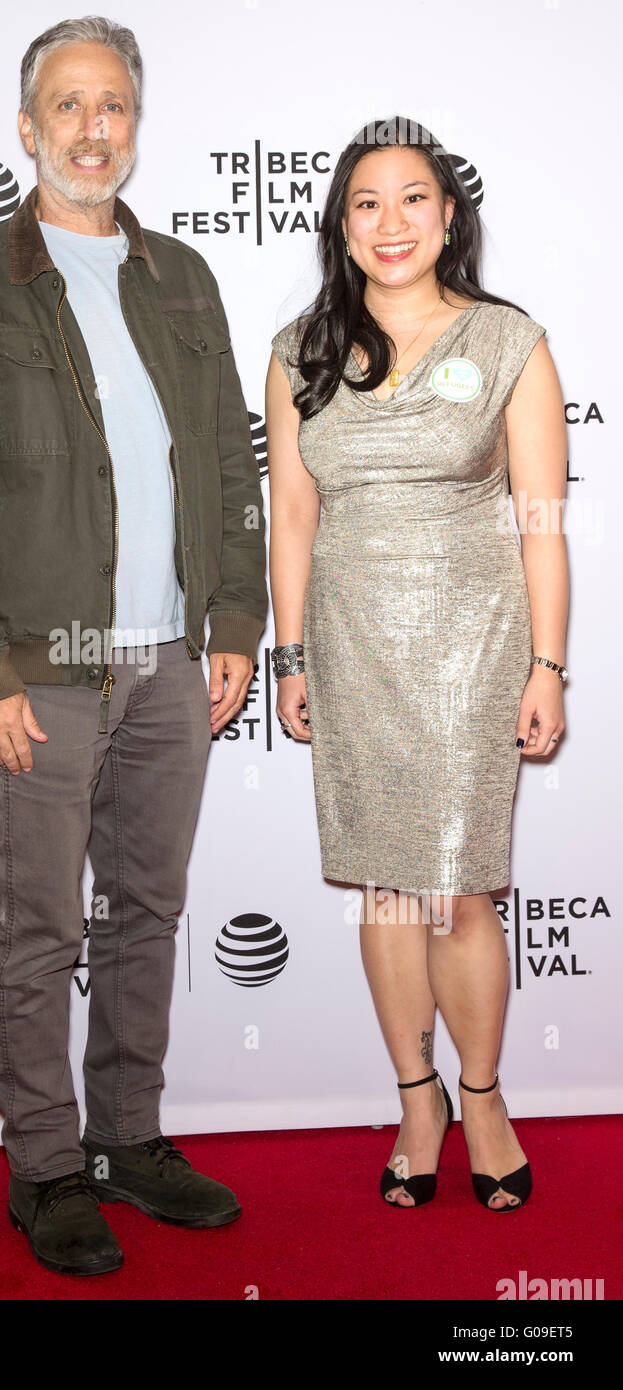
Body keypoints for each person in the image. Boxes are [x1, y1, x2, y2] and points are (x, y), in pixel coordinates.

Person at [0, 16, 267, 1275]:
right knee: (40, 922)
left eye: (113, 105)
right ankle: (46, 1165)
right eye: (68, 105)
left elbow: (226, 457)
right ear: (25, 127)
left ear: (134, 124)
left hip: (171, 660)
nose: (92, 128)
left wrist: (233, 621)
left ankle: (126, 1138)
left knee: (147, 912)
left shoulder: (182, 279)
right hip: (42, 667)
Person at [267, 116, 568, 1212]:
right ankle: (415, 1099)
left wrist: (547, 666)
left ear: (447, 217)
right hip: (349, 649)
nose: (388, 223)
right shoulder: (298, 348)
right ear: (341, 228)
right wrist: (289, 655)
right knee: (385, 893)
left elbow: (540, 521)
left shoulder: (508, 341)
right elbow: (290, 519)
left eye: (410, 199)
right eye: (364, 203)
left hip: (471, 649)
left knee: (458, 895)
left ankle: (481, 1096)